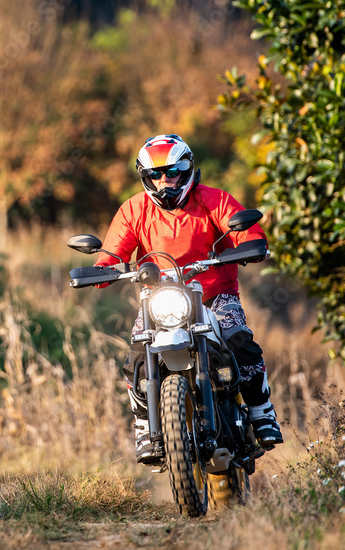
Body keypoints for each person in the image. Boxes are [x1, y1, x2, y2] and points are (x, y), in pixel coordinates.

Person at [95, 133, 283, 463]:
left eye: (173, 171)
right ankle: (144, 427)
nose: (165, 180)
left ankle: (261, 412)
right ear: (144, 176)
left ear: (188, 170)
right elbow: (111, 254)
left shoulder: (214, 200)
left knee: (239, 339)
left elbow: (246, 232)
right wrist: (101, 270)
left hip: (214, 295)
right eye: (156, 174)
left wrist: (251, 244)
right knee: (137, 355)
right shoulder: (134, 210)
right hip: (159, 299)